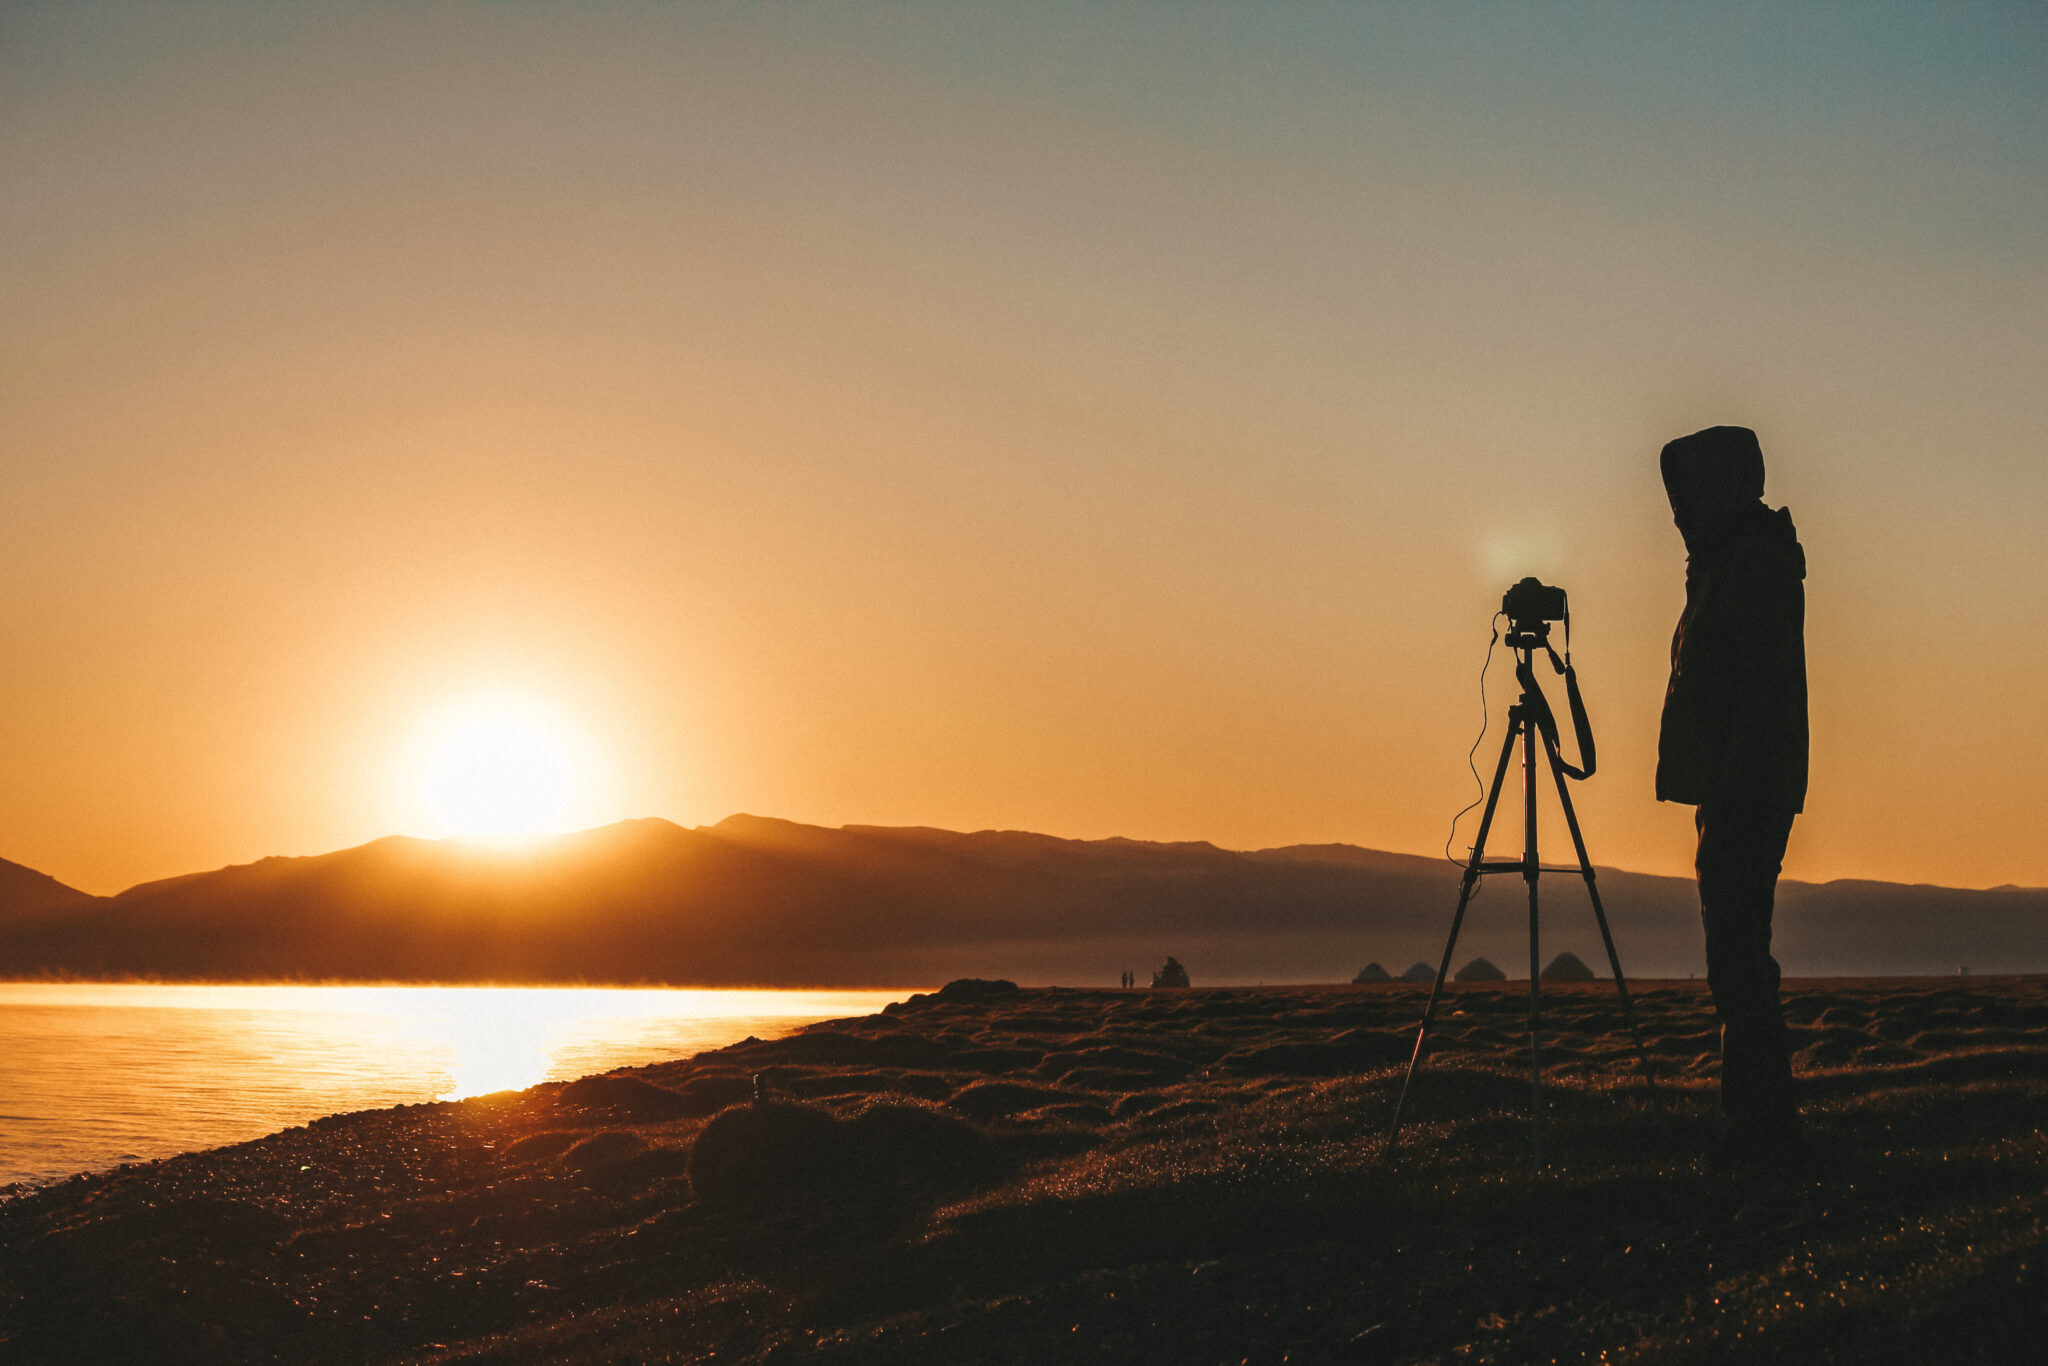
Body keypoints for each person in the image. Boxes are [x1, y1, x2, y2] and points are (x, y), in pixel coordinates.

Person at [1656, 425, 1809, 1162]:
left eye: (1687, 494)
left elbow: (1741, 684)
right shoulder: (1741, 556)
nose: (1678, 512)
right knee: (1740, 952)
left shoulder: (1746, 564)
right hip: (1745, 781)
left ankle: (1759, 1129)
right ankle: (1758, 1120)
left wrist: (1723, 772)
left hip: (1746, 783)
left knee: (1739, 956)